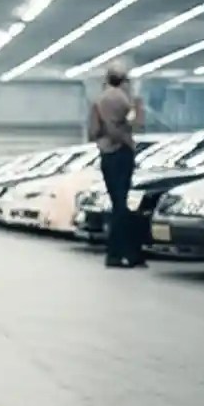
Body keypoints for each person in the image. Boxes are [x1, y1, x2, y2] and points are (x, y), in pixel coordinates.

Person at [88, 60, 144, 268]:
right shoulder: (122, 99)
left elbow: (93, 131)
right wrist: (137, 101)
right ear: (124, 81)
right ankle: (116, 254)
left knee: (118, 203)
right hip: (121, 152)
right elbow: (137, 121)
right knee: (121, 206)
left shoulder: (98, 101)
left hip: (106, 154)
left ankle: (131, 253)